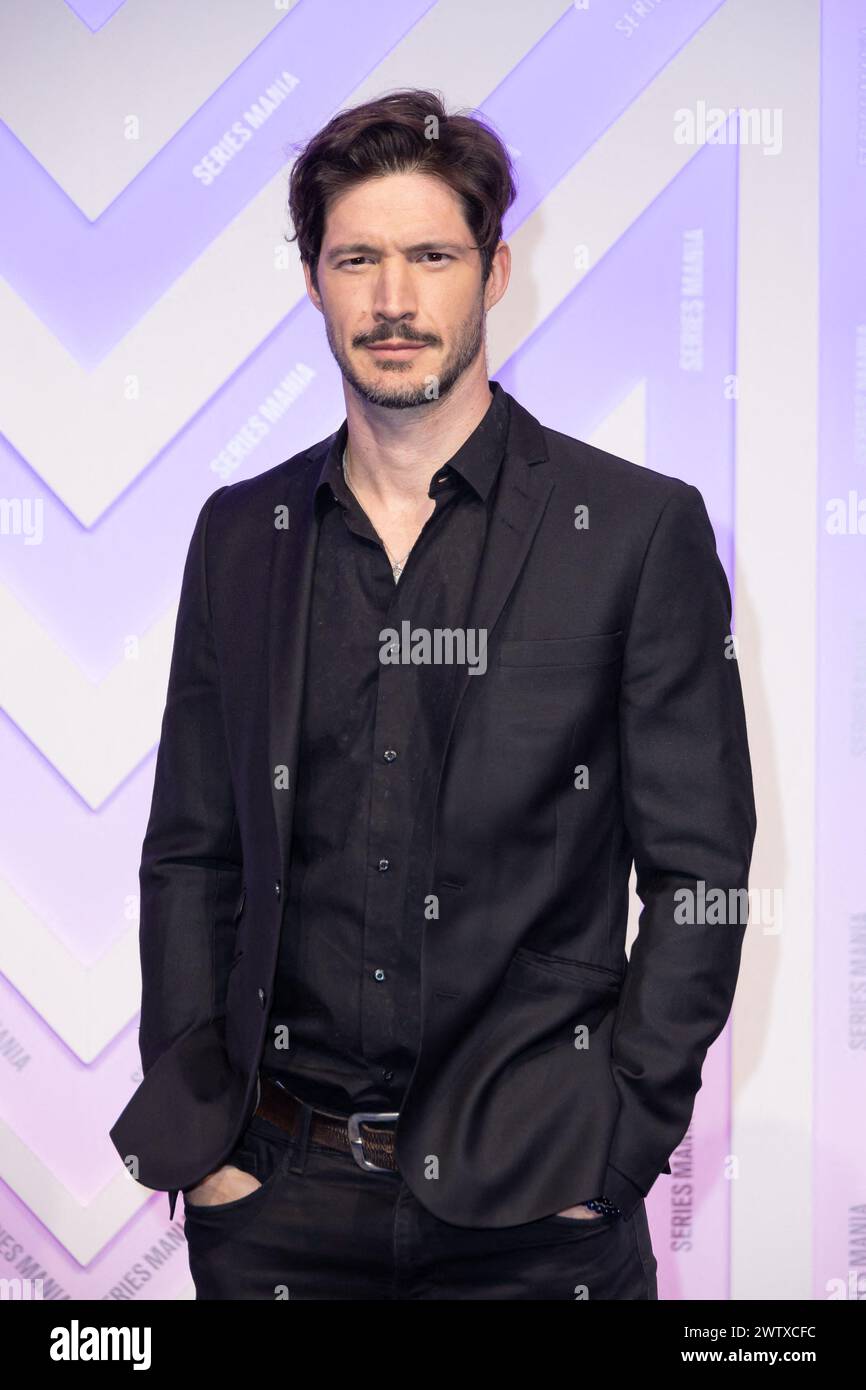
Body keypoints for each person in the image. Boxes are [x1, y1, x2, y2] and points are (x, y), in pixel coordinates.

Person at [110, 89, 757, 1300]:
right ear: (313, 279)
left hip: (536, 1214)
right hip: (275, 1200)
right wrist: (207, 1150)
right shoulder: (240, 534)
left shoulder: (630, 531)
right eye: (357, 257)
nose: (393, 299)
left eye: (430, 256)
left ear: (493, 269)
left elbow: (700, 872)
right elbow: (191, 853)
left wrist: (612, 1149)